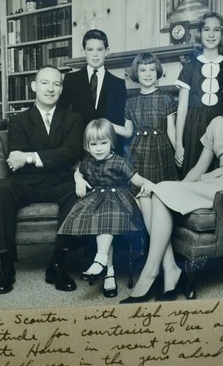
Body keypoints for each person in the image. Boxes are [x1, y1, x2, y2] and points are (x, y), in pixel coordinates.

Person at [121, 54, 223, 303]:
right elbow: (198, 169)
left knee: (159, 192)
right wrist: (175, 188)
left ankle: (150, 273)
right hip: (216, 183)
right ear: (222, 87)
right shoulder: (216, 122)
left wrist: (222, 171)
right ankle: (170, 269)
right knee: (152, 193)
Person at [0, 66, 83, 295]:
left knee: (79, 192)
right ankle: (6, 266)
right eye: (45, 83)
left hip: (60, 183)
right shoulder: (19, 120)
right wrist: (49, 157)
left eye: (56, 84)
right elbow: (14, 156)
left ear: (61, 88)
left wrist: (29, 156)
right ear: (34, 87)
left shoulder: (73, 119)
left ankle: (57, 265)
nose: (50, 88)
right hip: (26, 184)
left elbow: (71, 153)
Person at [58, 119, 155, 299]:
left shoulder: (120, 162)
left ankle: (101, 260)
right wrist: (78, 179)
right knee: (101, 220)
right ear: (87, 146)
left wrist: (147, 184)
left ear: (112, 142)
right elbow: (78, 171)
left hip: (119, 202)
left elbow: (137, 179)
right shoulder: (87, 162)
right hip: (97, 202)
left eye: (103, 143)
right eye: (93, 144)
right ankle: (108, 271)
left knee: (107, 218)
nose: (99, 148)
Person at [174, 12, 223, 175]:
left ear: (222, 33)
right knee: (193, 174)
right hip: (194, 129)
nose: (211, 35)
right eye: (206, 30)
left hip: (222, 126)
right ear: (199, 33)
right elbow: (182, 108)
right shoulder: (190, 68)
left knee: (218, 175)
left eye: (216, 30)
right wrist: (179, 144)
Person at [112, 52, 179, 184]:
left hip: (161, 150)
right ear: (136, 73)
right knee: (139, 190)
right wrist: (108, 124)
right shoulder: (130, 102)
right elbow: (128, 132)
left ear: (157, 71)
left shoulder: (166, 98)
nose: (148, 74)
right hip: (138, 152)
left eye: (152, 69)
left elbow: (171, 129)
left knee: (162, 188)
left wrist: (178, 150)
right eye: (143, 70)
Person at [59, 29, 128, 131]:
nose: (95, 54)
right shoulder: (71, 80)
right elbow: (61, 112)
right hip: (78, 142)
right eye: (90, 50)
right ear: (84, 52)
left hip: (108, 143)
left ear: (106, 51)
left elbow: (121, 120)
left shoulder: (118, 84)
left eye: (99, 49)